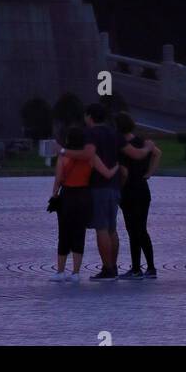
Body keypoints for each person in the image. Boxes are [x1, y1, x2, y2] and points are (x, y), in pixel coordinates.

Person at [62, 104, 155, 280]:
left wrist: (63, 151)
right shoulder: (115, 134)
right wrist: (148, 149)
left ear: (89, 117)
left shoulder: (89, 133)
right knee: (112, 228)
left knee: (102, 228)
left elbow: (88, 153)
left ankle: (108, 269)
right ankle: (113, 267)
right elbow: (135, 154)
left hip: (98, 186)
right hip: (114, 188)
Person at [50, 126, 118, 282]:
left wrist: (54, 195)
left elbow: (58, 179)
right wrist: (116, 167)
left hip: (67, 195)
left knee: (64, 232)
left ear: (67, 140)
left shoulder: (63, 157)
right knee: (79, 232)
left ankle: (60, 271)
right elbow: (106, 173)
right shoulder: (91, 157)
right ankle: (76, 272)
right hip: (84, 196)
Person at [116, 112, 161, 279]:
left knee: (132, 230)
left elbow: (124, 173)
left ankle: (137, 268)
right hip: (143, 189)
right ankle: (149, 267)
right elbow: (158, 153)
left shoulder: (121, 145)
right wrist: (149, 173)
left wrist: (119, 189)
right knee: (141, 229)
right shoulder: (141, 142)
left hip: (128, 191)